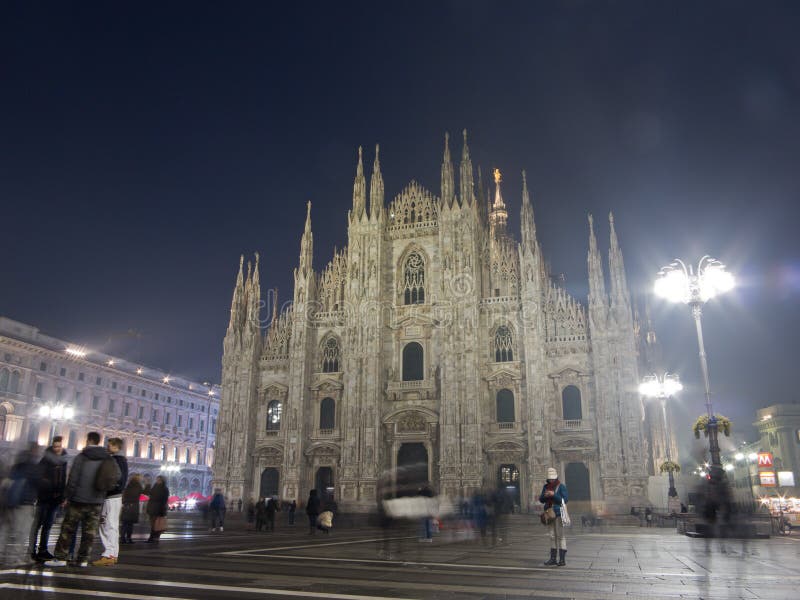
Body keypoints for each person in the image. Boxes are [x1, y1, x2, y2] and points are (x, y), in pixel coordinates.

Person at [45, 432, 117, 568]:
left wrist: (67, 496)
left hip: (78, 500)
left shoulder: (82, 457)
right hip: (96, 501)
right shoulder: (107, 458)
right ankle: (83, 559)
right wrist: (104, 491)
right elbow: (116, 476)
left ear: (89, 440)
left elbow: (73, 478)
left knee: (68, 529)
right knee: (89, 533)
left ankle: (61, 557)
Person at [0, 442, 41, 566]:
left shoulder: (16, 464)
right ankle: (16, 558)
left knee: (5, 529)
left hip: (9, 501)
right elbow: (39, 483)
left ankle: (1, 553)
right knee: (22, 531)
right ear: (35, 451)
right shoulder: (33, 466)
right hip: (25, 502)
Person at [30, 436, 68, 561]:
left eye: (59, 446)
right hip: (44, 496)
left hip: (56, 499)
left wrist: (63, 496)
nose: (57, 449)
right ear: (52, 446)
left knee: (48, 525)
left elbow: (63, 479)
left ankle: (43, 549)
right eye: (55, 446)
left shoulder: (64, 461)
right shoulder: (45, 460)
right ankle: (32, 549)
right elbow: (37, 477)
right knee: (38, 524)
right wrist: (46, 485)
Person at [93, 438, 128, 565]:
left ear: (115, 447)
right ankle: (112, 554)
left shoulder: (115, 460)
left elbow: (116, 480)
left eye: (109, 445)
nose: (107, 447)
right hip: (114, 496)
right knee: (110, 525)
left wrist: (105, 488)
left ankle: (109, 554)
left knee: (108, 525)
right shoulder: (121, 460)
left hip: (111, 496)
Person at [539, 467, 568, 567]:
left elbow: (565, 500)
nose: (551, 480)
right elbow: (541, 499)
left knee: (560, 536)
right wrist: (545, 495)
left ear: (555, 478)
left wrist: (554, 494)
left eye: (552, 478)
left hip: (559, 513)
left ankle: (562, 559)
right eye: (550, 479)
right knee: (552, 536)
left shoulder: (561, 487)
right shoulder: (546, 487)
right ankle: (553, 558)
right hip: (549, 514)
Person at [120, 473, 143, 544]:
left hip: (126, 505)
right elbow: (137, 495)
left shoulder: (129, 485)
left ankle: (123, 538)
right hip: (133, 506)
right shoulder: (138, 486)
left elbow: (125, 495)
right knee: (130, 523)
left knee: (125, 523)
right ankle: (128, 538)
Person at [145, 475, 169, 544]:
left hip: (158, 509)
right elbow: (148, 493)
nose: (158, 481)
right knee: (152, 525)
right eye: (157, 479)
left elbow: (164, 500)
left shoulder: (164, 489)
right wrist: (148, 485)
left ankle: (154, 538)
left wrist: (162, 511)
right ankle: (152, 538)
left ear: (162, 481)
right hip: (152, 508)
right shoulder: (154, 487)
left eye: (159, 480)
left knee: (156, 525)